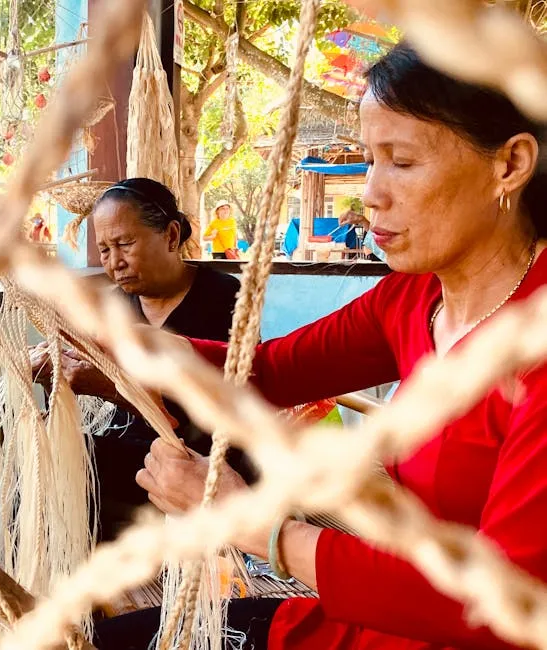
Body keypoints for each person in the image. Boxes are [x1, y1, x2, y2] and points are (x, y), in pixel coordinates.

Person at [97, 44, 547, 650]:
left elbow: (503, 611)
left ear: (510, 164)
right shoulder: (413, 299)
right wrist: (136, 348)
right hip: (380, 615)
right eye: (368, 160)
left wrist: (259, 525)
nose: (371, 194)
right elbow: (271, 371)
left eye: (403, 163)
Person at [30, 177, 250, 542]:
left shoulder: (226, 299)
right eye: (104, 250)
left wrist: (109, 387)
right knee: (34, 442)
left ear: (171, 236)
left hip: (198, 460)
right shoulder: (115, 306)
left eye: (125, 244)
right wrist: (55, 369)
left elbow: (224, 407)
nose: (115, 263)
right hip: (134, 454)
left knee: (79, 460)